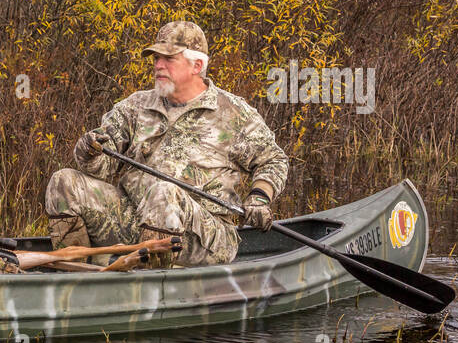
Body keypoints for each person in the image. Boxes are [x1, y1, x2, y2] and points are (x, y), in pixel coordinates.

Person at [44, 21, 288, 267]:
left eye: (168, 59)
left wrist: (259, 198)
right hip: (135, 219)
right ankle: (76, 277)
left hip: (204, 236)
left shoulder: (234, 113)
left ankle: (152, 286)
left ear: (197, 65)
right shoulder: (136, 106)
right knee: (64, 181)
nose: (158, 65)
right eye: (156, 58)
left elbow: (273, 160)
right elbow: (102, 167)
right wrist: (89, 152)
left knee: (164, 192)